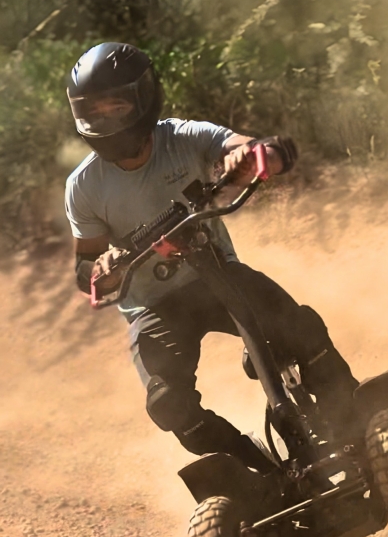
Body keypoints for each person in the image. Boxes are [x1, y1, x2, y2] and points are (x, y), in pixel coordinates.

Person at [65, 42, 359, 476]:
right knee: (168, 404)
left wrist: (253, 157)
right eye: (93, 110)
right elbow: (83, 271)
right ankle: (257, 472)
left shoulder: (184, 138)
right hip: (152, 307)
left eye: (117, 105)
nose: (105, 119)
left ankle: (358, 424)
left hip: (217, 275)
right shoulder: (84, 186)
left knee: (302, 330)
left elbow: (259, 150)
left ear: (143, 99)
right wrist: (103, 270)